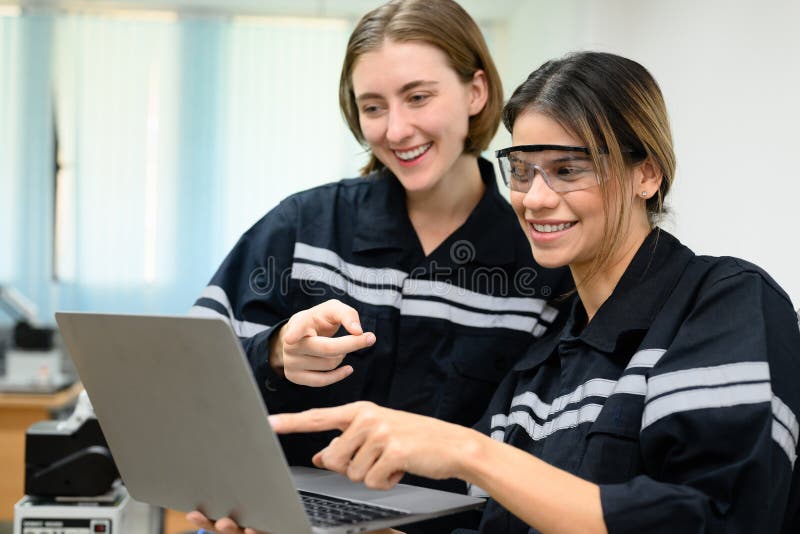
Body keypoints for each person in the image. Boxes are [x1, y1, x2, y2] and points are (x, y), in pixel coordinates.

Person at [260, 51, 800, 534]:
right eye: (521, 171)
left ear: (647, 174)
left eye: (568, 169)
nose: (535, 198)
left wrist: (469, 451)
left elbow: (717, 517)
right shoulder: (534, 371)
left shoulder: (725, 304)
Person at [187, 0, 571, 531]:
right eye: (373, 106)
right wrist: (273, 353)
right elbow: (187, 380)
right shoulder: (301, 229)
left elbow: (541, 469)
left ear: (475, 92)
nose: (395, 129)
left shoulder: (541, 268)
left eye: (418, 97)